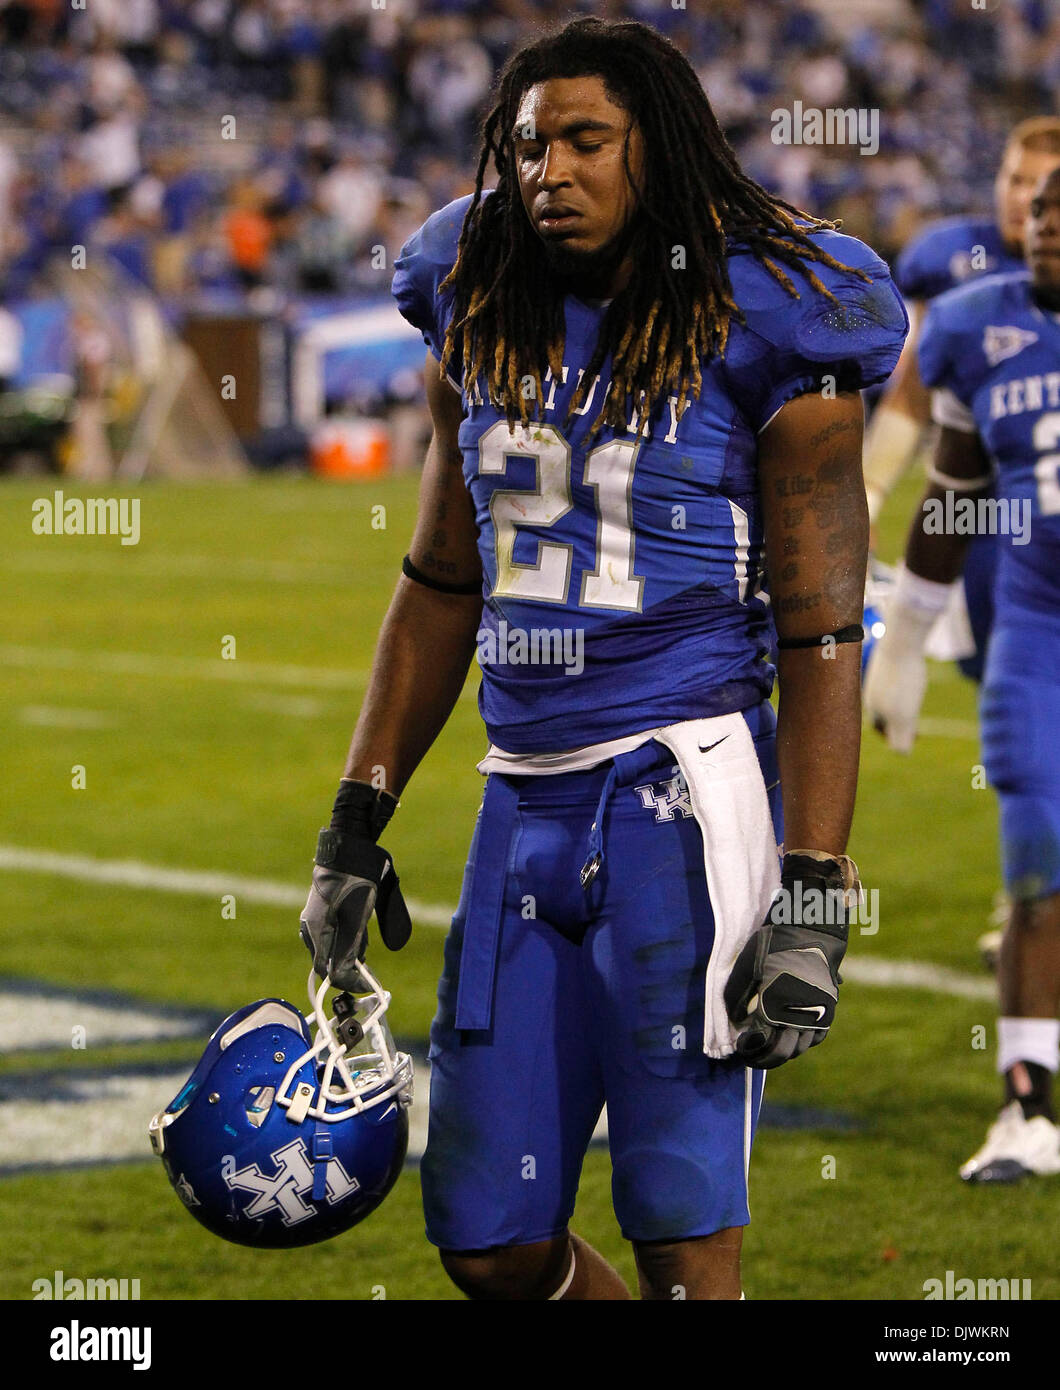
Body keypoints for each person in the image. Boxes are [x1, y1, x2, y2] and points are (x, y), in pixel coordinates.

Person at [299, 17, 906, 1299]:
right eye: (527, 145)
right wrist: (356, 814)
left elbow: (821, 630)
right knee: (484, 1234)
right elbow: (438, 581)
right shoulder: (474, 290)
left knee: (682, 1230)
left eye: (585, 140)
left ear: (661, 151)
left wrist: (810, 889)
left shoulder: (774, 311)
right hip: (518, 792)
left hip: (680, 790)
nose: (547, 171)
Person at [864, 168, 1060, 1184]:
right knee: (1035, 852)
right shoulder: (980, 325)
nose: (1048, 231)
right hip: (1036, 620)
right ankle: (1026, 1102)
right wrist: (903, 638)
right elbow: (955, 491)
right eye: (1040, 213)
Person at [862, 117, 1060, 682]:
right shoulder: (953, 260)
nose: (1023, 198)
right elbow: (913, 396)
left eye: (1039, 186)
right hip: (978, 514)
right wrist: (871, 493)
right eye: (1013, 179)